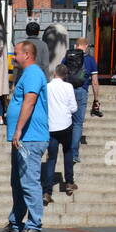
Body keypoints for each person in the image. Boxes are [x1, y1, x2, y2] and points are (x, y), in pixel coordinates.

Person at [0, 39, 49, 232]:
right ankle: (16, 222)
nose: (13, 57)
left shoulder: (33, 73)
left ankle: (34, 225)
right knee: (17, 181)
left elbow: (30, 100)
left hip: (30, 137)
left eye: (16, 53)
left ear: (27, 55)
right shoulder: (27, 74)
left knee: (29, 181)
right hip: (24, 138)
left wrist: (18, 130)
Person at [43, 64, 78, 200]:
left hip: (51, 126)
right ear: (65, 75)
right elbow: (74, 108)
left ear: (54, 73)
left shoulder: (47, 87)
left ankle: (47, 191)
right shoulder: (68, 87)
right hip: (65, 125)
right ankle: (69, 182)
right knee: (68, 152)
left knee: (51, 158)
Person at [63, 37, 99, 162]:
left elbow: (60, 74)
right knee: (78, 124)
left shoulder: (67, 57)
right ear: (86, 46)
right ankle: (73, 154)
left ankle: (63, 149)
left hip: (67, 91)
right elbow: (94, 82)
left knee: (67, 121)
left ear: (76, 45)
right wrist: (96, 99)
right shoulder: (90, 60)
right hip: (81, 91)